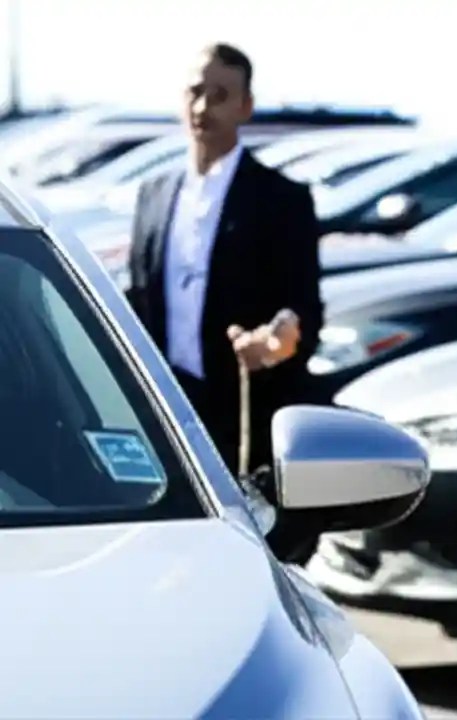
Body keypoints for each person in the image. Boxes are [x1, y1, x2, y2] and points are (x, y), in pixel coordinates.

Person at [125, 43, 323, 529]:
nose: (201, 108)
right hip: (168, 410)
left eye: (219, 95)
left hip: (243, 416)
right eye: (194, 92)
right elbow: (139, 296)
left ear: (244, 107)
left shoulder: (281, 200)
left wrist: (276, 342)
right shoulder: (154, 195)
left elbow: (302, 308)